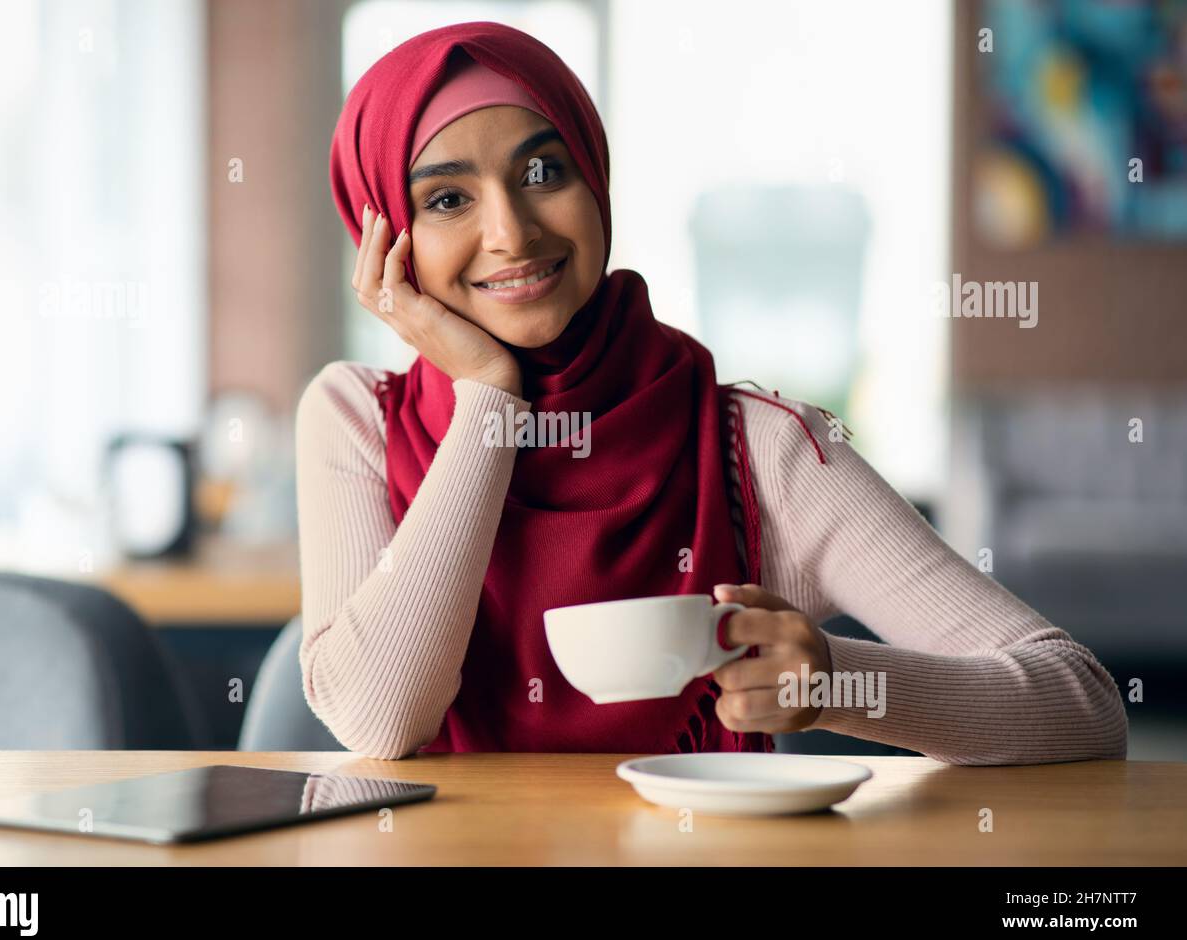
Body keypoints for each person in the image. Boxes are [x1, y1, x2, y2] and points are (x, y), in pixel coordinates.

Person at [300, 20, 1127, 763]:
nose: (512, 233)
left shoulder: (759, 449)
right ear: (383, 238)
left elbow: (1082, 702)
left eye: (544, 170)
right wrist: (489, 397)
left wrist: (838, 678)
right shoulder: (354, 419)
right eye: (447, 199)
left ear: (596, 181)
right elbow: (382, 720)